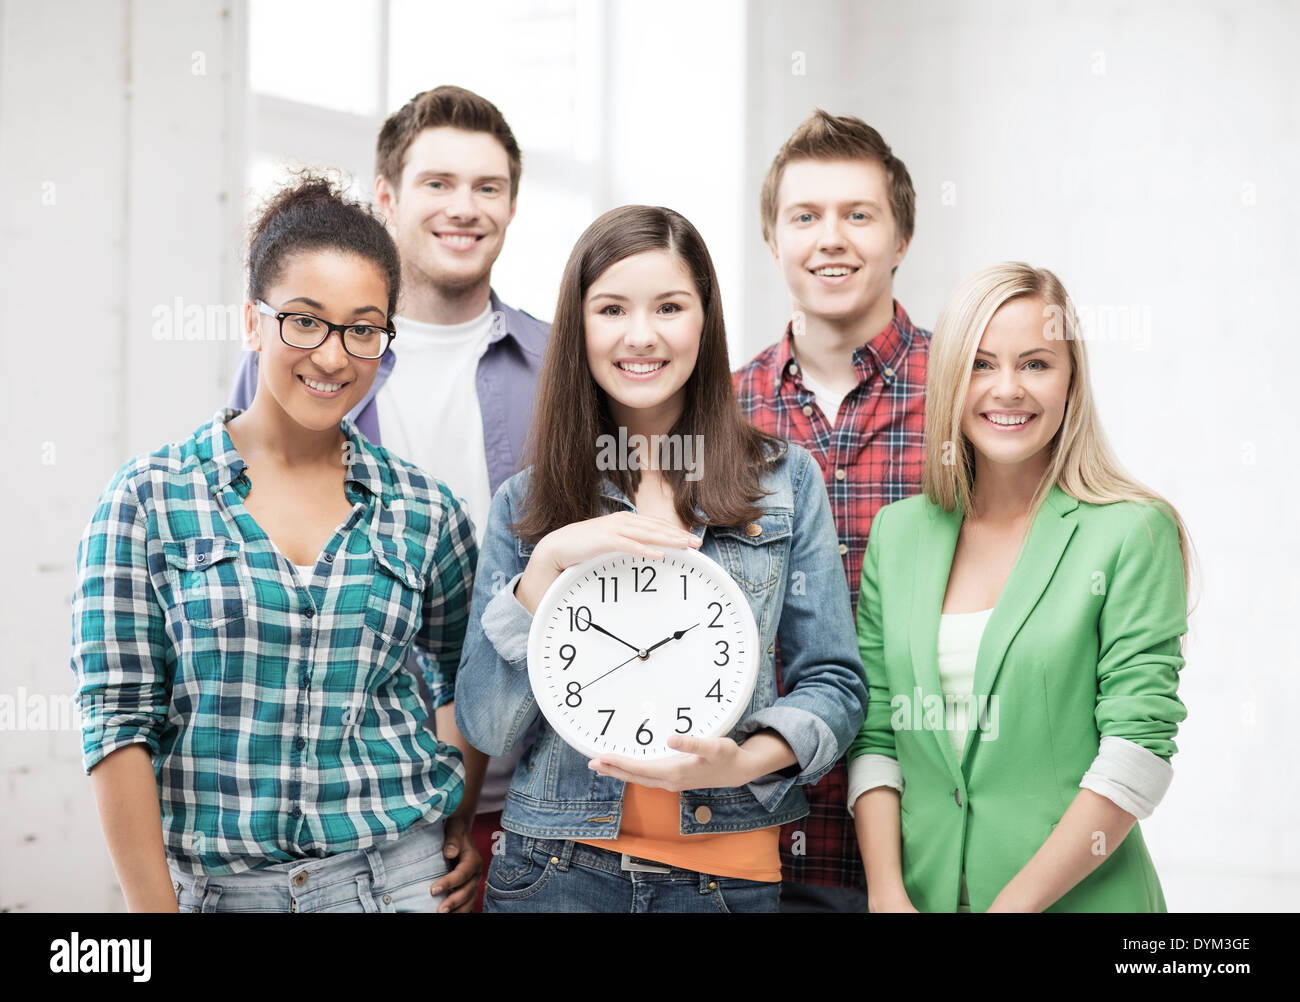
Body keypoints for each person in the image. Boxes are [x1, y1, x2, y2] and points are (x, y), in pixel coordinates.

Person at [72, 174, 482, 912]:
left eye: (363, 328)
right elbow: (117, 725)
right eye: (304, 320)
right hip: (218, 892)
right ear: (252, 322)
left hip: (398, 882)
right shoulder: (147, 499)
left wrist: (457, 817)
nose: (332, 356)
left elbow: (466, 676)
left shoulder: (425, 510)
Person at [453, 205, 867, 912]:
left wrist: (745, 761)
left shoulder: (783, 481)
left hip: (726, 878)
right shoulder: (527, 503)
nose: (640, 336)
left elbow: (834, 684)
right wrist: (547, 563)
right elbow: (486, 726)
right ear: (578, 325)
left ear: (704, 321)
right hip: (553, 872)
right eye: (611, 309)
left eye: (669, 307)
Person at [228, 86, 549, 911]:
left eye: (488, 187)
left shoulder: (559, 365)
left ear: (512, 204)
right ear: (386, 198)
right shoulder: (303, 359)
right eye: (437, 183)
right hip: (349, 801)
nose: (464, 208)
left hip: (533, 790)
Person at [849, 262, 1193, 912]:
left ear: (1071, 380)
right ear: (950, 378)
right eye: (981, 364)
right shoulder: (897, 536)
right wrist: (887, 892)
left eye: (1035, 364)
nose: (1007, 389)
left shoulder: (1131, 532)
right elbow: (876, 737)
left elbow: (1136, 751)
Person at [733, 109, 929, 912]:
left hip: (930, 826)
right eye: (805, 216)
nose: (831, 239)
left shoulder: (970, 399)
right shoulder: (719, 414)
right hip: (757, 831)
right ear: (774, 241)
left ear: (900, 238)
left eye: (859, 214)